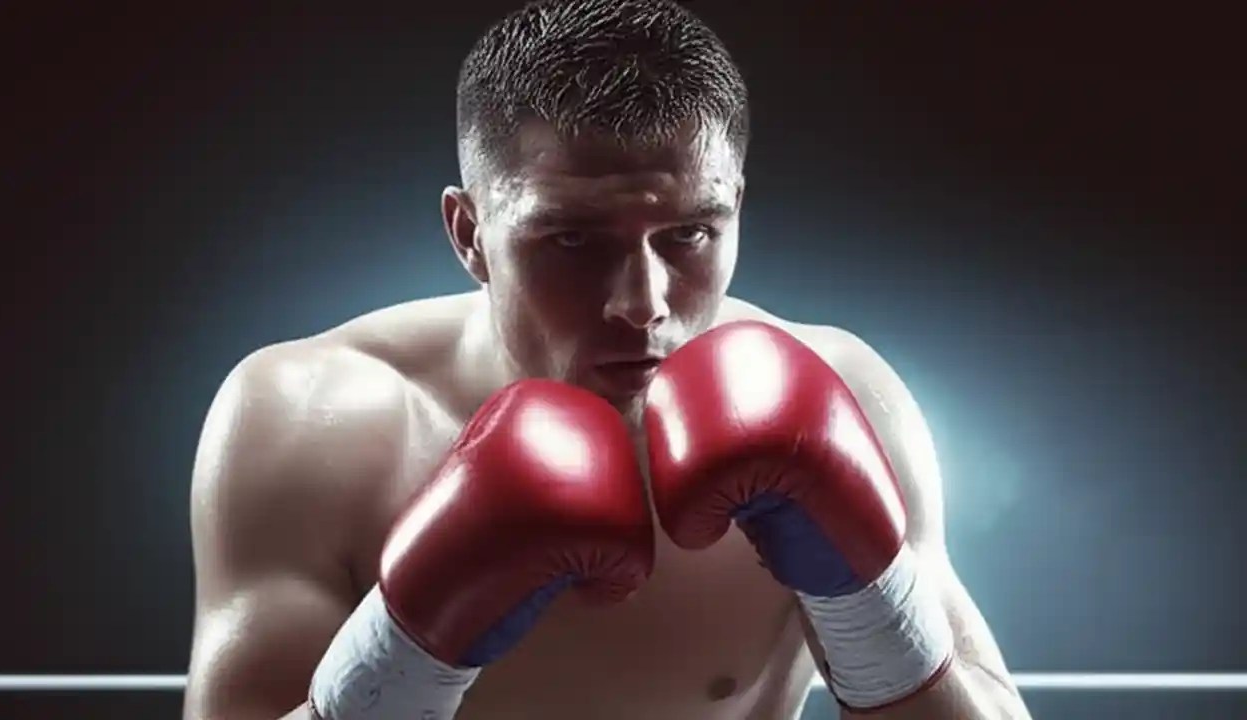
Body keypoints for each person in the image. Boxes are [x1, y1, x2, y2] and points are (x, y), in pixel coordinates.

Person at [183, 1, 1032, 718]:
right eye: (572, 240)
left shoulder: (846, 395)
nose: (643, 303)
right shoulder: (313, 423)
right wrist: (409, 644)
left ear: (734, 208)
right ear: (470, 234)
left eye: (689, 235)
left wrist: (864, 599)